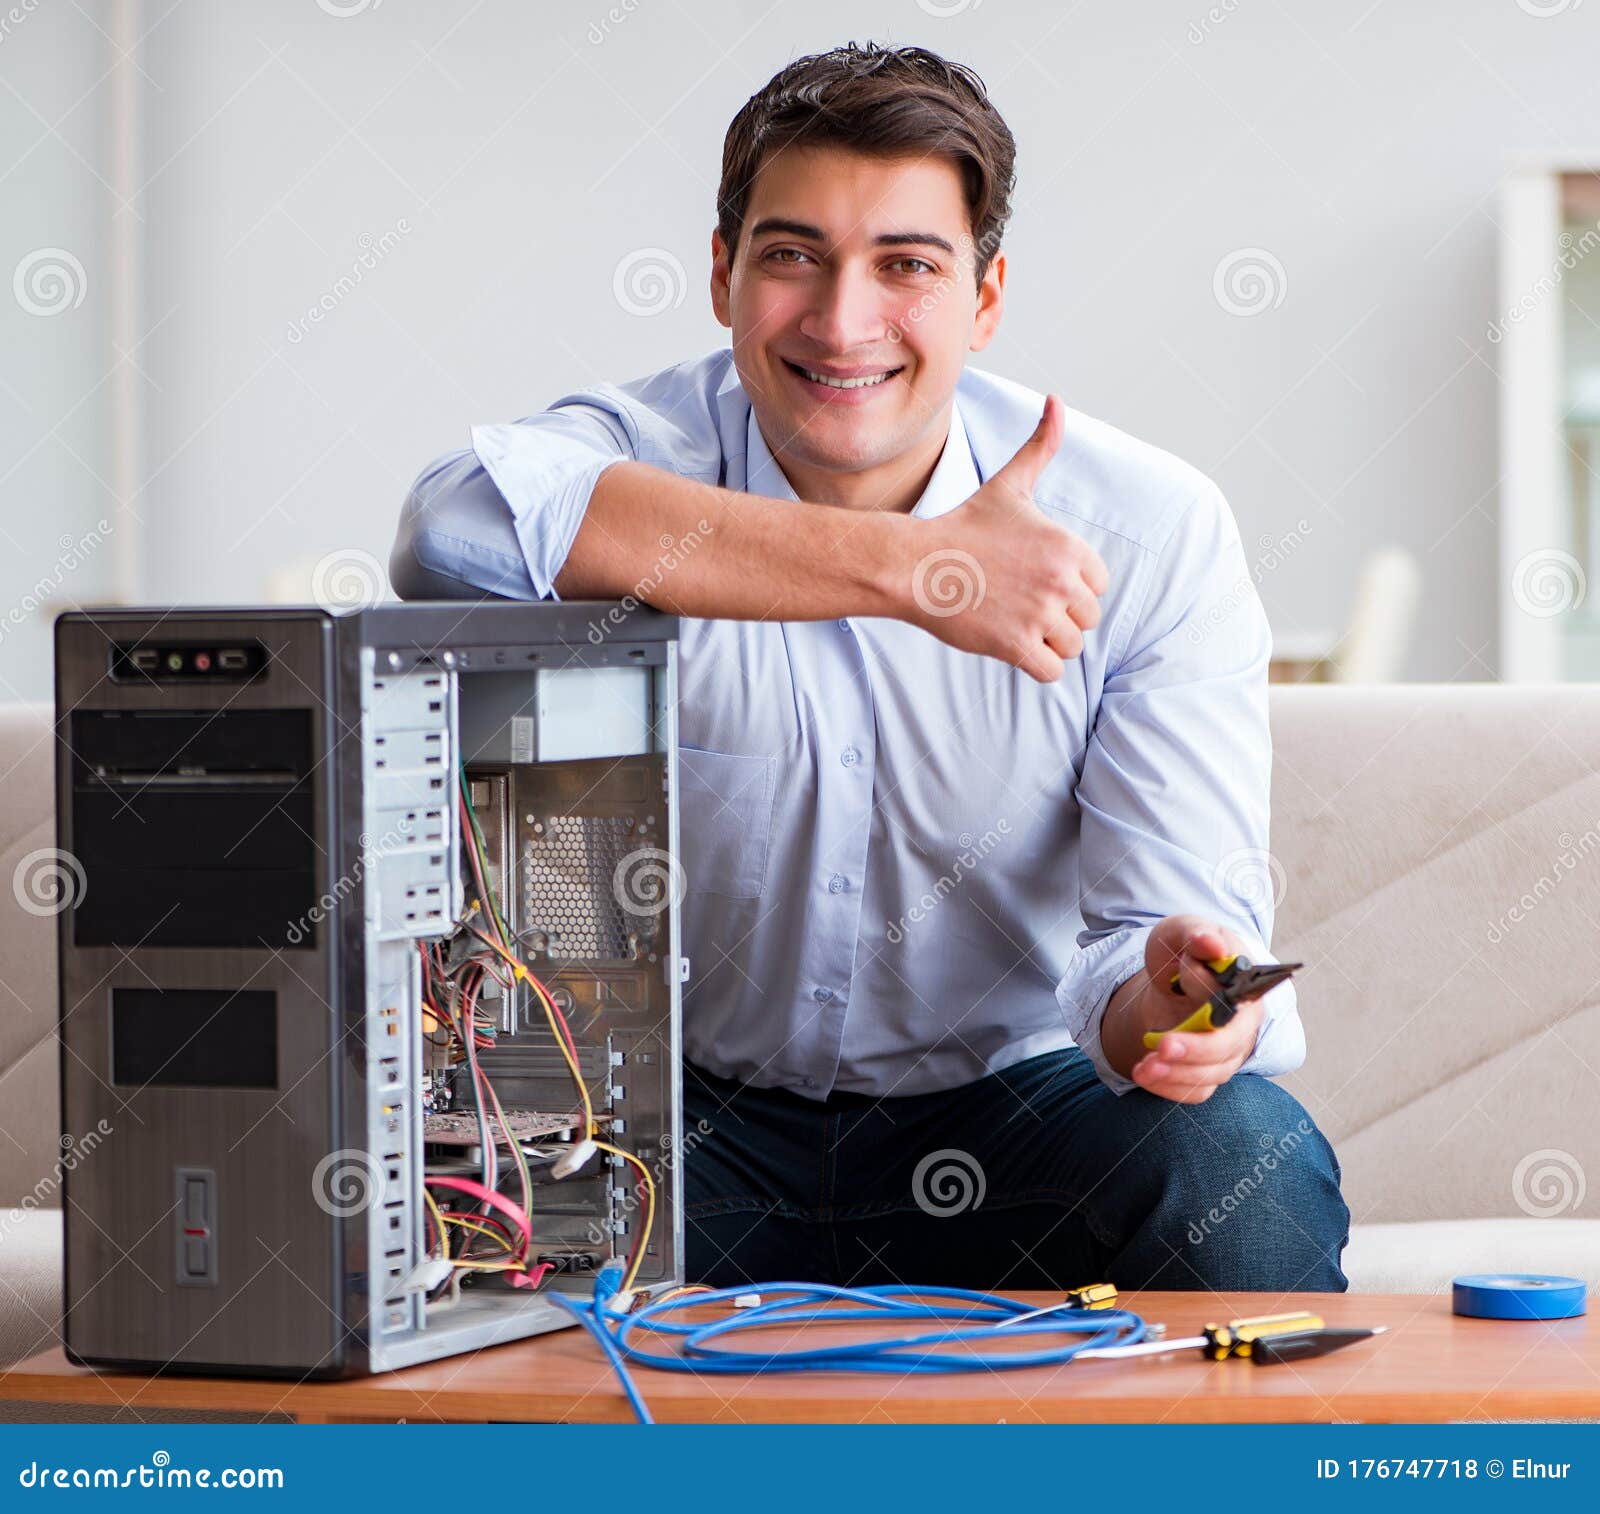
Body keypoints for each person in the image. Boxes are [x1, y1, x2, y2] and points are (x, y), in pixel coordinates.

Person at [391, 42, 1349, 1294]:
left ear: (984, 295)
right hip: (681, 1139)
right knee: (426, 1206)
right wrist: (917, 568)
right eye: (793, 256)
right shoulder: (643, 451)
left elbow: (1134, 961)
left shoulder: (1145, 528)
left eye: (906, 265)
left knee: (1246, 1158)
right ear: (725, 272)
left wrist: (1170, 1015)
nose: (842, 322)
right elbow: (447, 538)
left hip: (1013, 1124)